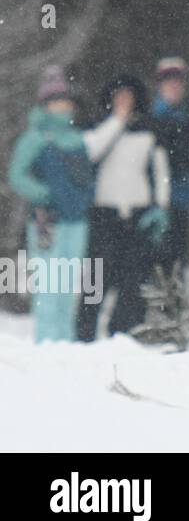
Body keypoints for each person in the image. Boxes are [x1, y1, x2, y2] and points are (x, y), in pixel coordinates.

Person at [78, 75, 171, 340]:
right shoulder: (97, 127)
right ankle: (84, 334)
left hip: (138, 214)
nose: (123, 101)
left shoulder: (149, 130)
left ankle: (124, 334)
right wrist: (117, 121)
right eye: (118, 96)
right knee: (95, 279)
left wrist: (161, 207)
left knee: (133, 280)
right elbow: (91, 152)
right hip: (104, 213)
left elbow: (161, 171)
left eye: (128, 97)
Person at [7, 67, 95, 342]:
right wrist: (43, 194)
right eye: (57, 100)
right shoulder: (35, 137)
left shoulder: (78, 138)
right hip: (48, 221)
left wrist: (85, 196)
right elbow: (16, 175)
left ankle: (65, 341)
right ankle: (46, 341)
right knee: (48, 282)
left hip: (77, 220)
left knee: (68, 284)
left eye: (66, 100)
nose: (63, 106)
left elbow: (88, 176)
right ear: (45, 104)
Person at [150, 57, 189, 278]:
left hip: (181, 198)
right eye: (169, 82)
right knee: (158, 260)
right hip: (156, 201)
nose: (174, 86)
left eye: (178, 82)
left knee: (179, 260)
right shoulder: (151, 117)